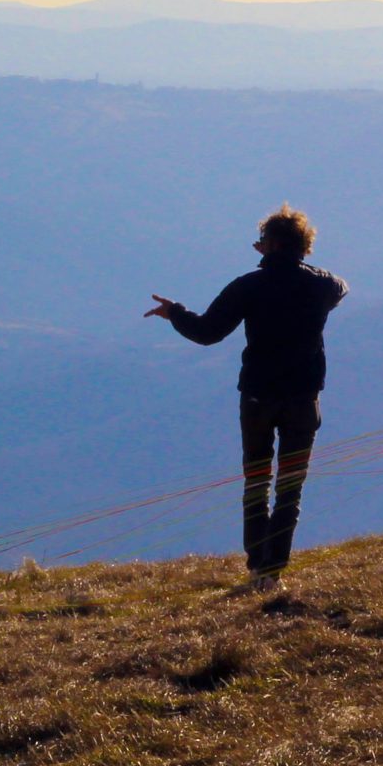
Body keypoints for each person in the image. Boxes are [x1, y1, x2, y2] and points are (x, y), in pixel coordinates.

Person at [148, 204, 349, 580]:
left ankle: (258, 565)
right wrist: (288, 259)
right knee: (291, 485)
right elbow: (341, 285)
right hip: (303, 397)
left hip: (258, 396)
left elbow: (207, 332)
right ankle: (274, 569)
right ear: (304, 246)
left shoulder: (249, 286)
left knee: (257, 479)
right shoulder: (321, 286)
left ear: (268, 245)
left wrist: (174, 312)